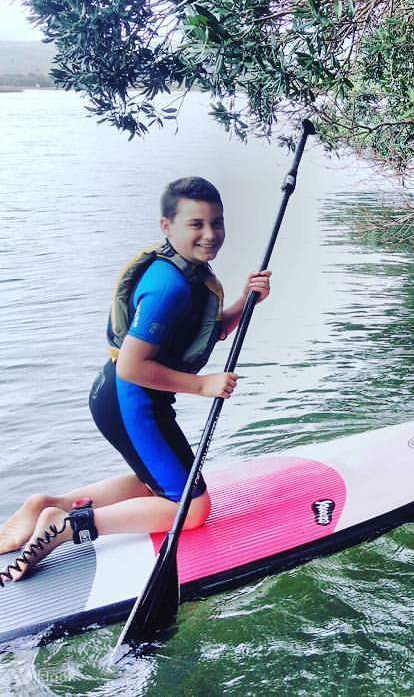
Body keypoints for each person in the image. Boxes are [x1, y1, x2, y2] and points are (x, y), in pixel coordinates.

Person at [0, 177, 271, 582]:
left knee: (154, 482)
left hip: (123, 397)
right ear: (167, 226)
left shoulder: (185, 271)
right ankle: (67, 524)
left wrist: (245, 302)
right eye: (196, 224)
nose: (210, 234)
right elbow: (132, 365)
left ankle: (47, 504)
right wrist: (203, 385)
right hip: (134, 402)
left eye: (217, 222)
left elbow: (197, 334)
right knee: (191, 510)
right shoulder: (168, 286)